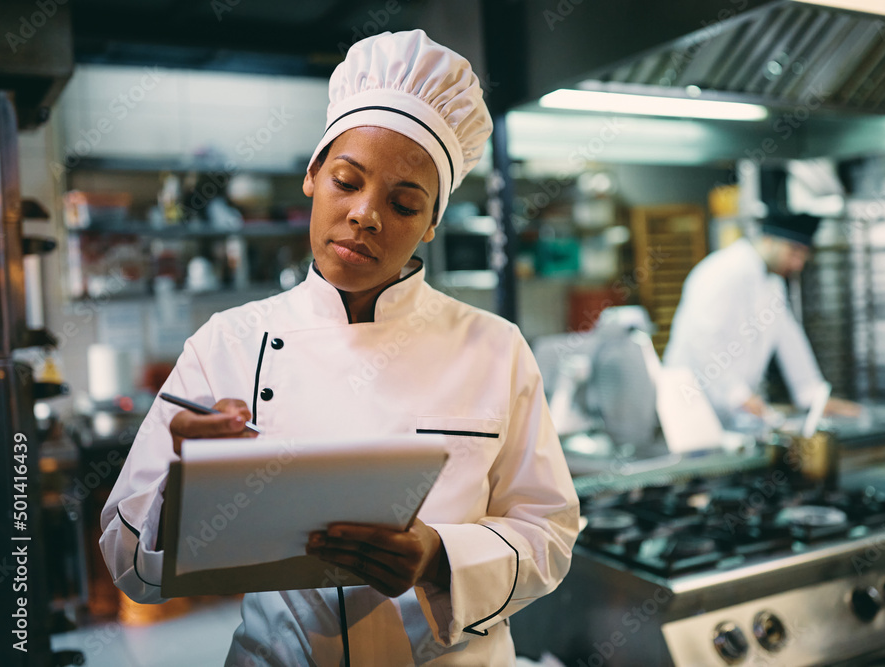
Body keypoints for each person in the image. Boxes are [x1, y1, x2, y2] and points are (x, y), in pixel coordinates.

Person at [100, 30, 580, 666]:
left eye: (404, 203)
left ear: (432, 222)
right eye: (347, 181)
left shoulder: (495, 347)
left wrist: (438, 554)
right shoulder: (228, 343)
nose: (366, 215)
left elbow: (548, 533)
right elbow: (127, 563)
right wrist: (185, 490)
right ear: (311, 176)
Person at [663, 213, 861, 428]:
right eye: (793, 251)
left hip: (734, 412)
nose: (798, 264)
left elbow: (790, 341)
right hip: (692, 402)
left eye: (804, 255)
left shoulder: (773, 285)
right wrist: (737, 394)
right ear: (768, 240)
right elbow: (702, 341)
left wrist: (813, 394)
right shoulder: (720, 272)